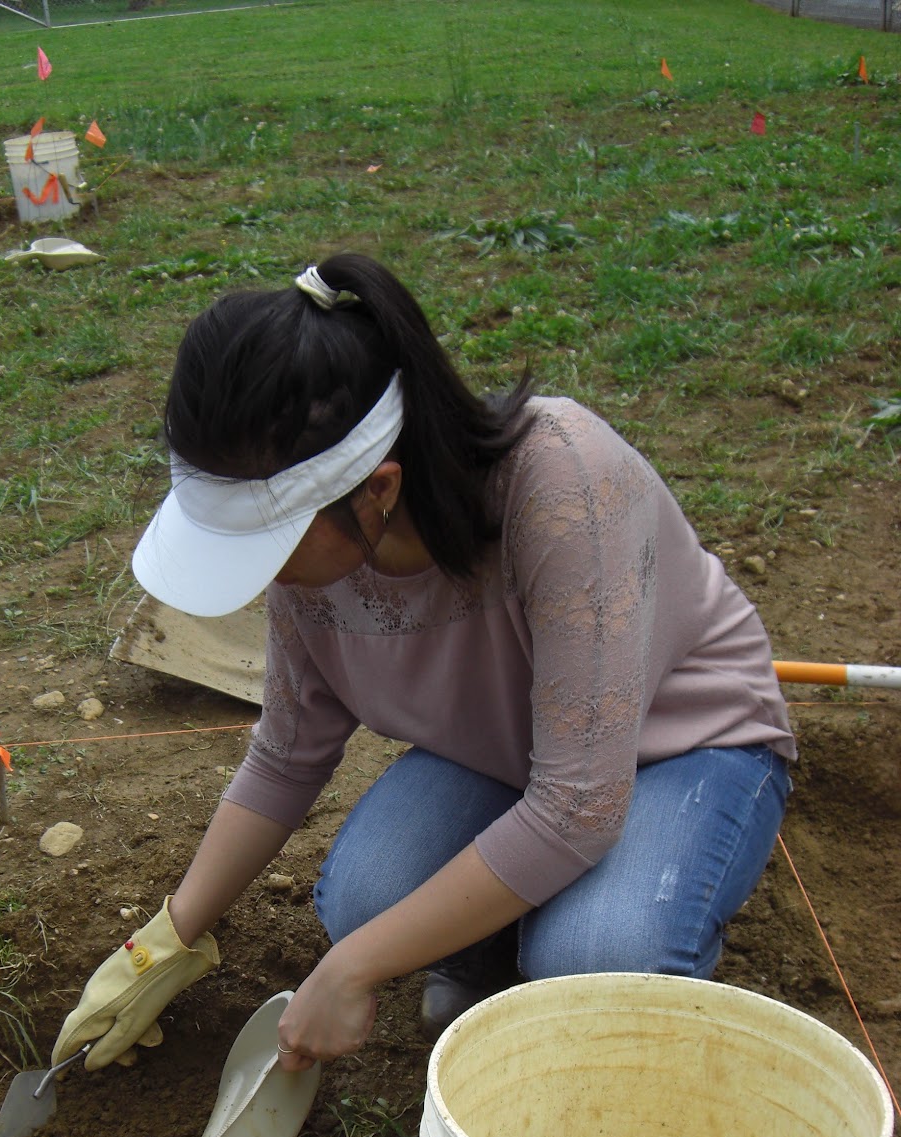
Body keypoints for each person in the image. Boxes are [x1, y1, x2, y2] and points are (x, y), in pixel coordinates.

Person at [52, 252, 795, 1077]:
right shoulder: (318, 546)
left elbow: (577, 809)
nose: (262, 576)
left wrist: (354, 969)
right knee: (366, 896)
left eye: (269, 545)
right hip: (507, 759)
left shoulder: (561, 484)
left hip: (682, 746)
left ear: (380, 488)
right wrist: (169, 936)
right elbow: (287, 752)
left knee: (595, 954)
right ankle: (493, 953)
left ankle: (600, 951)